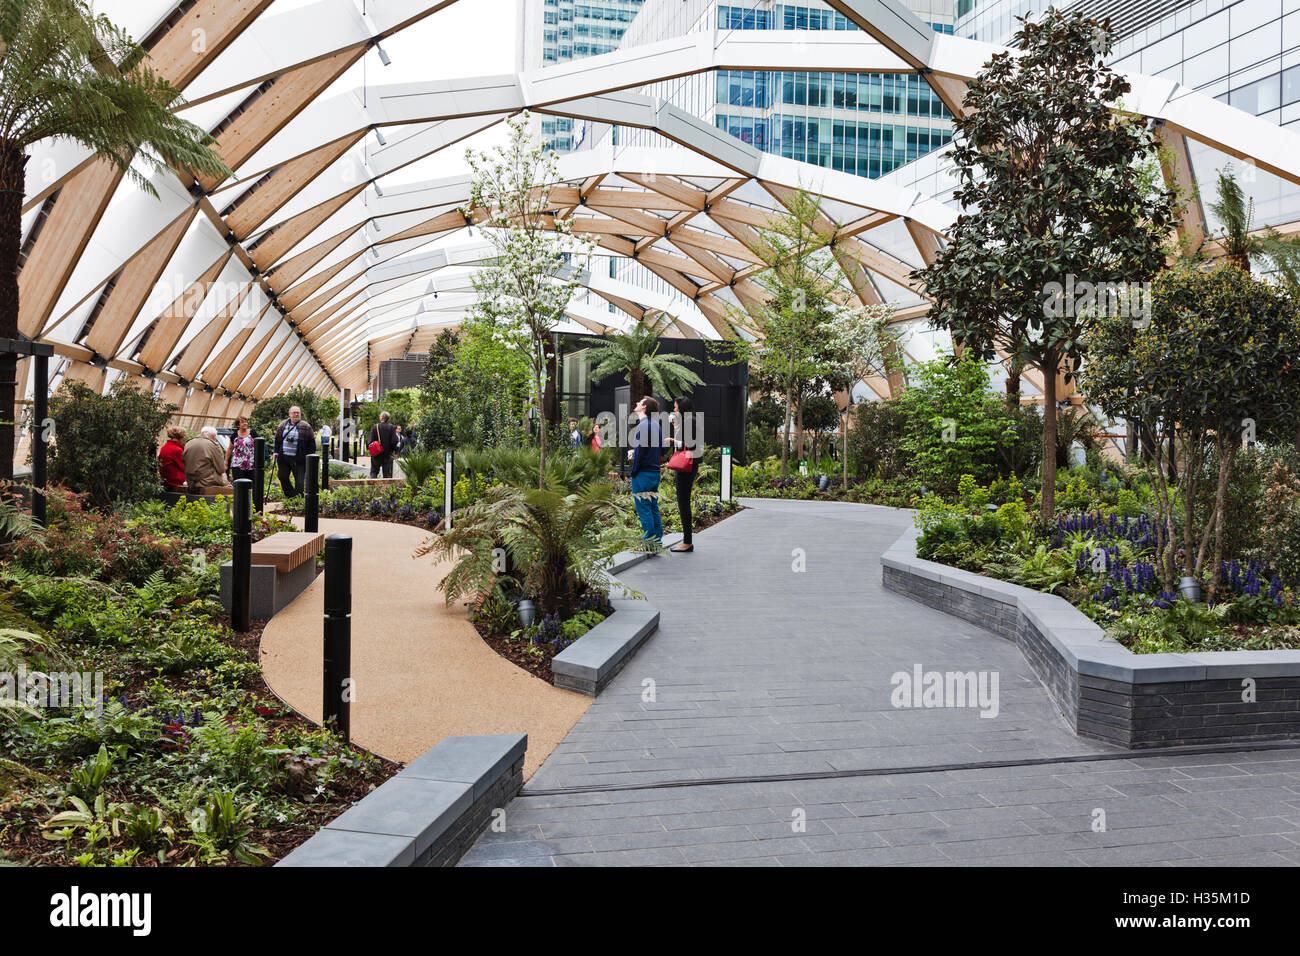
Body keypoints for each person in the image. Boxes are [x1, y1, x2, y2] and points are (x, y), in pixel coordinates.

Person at [628, 396, 663, 550]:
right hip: (654, 472)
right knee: (653, 506)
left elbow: (640, 451)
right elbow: (662, 449)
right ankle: (657, 542)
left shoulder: (642, 426)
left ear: (644, 407)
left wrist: (633, 470)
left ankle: (648, 543)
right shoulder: (656, 426)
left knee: (644, 508)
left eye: (639, 402)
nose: (637, 403)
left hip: (643, 473)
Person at [666, 396, 701, 553]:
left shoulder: (690, 421)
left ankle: (687, 542)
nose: (674, 409)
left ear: (682, 408)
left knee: (683, 502)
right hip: (687, 465)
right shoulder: (688, 421)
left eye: (676, 407)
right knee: (683, 501)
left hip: (687, 465)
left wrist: (673, 441)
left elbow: (690, 445)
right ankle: (687, 540)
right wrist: (675, 427)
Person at [274, 405, 316, 498]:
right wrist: (276, 451)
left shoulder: (306, 426)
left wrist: (307, 457)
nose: (296, 414)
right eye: (294, 412)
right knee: (282, 476)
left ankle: (299, 500)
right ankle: (291, 496)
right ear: (290, 414)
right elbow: (277, 439)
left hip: (299, 459)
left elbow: (312, 444)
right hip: (284, 457)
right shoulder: (283, 425)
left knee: (300, 482)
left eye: (298, 412)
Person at [183, 426, 228, 491]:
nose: (213, 439)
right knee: (225, 478)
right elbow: (221, 469)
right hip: (206, 481)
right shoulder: (213, 444)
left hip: (190, 481)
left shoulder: (188, 443)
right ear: (212, 435)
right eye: (213, 437)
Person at [367, 411, 399, 478]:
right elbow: (394, 441)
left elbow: (370, 442)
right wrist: (394, 450)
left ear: (381, 418)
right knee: (387, 473)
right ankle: (386, 488)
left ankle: (372, 487)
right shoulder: (391, 427)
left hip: (377, 454)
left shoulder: (375, 427)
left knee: (374, 472)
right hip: (387, 454)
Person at [226, 416, 256, 484]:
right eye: (242, 422)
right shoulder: (234, 435)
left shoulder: (252, 433)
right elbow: (230, 449)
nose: (245, 423)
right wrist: (226, 461)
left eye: (246, 422)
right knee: (239, 485)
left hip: (251, 464)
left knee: (250, 485)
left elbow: (259, 446)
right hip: (237, 464)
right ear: (238, 425)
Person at [158, 426, 187, 491]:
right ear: (181, 437)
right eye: (184, 436)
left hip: (165, 480)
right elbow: (184, 467)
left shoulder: (164, 447)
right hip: (176, 482)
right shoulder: (177, 450)